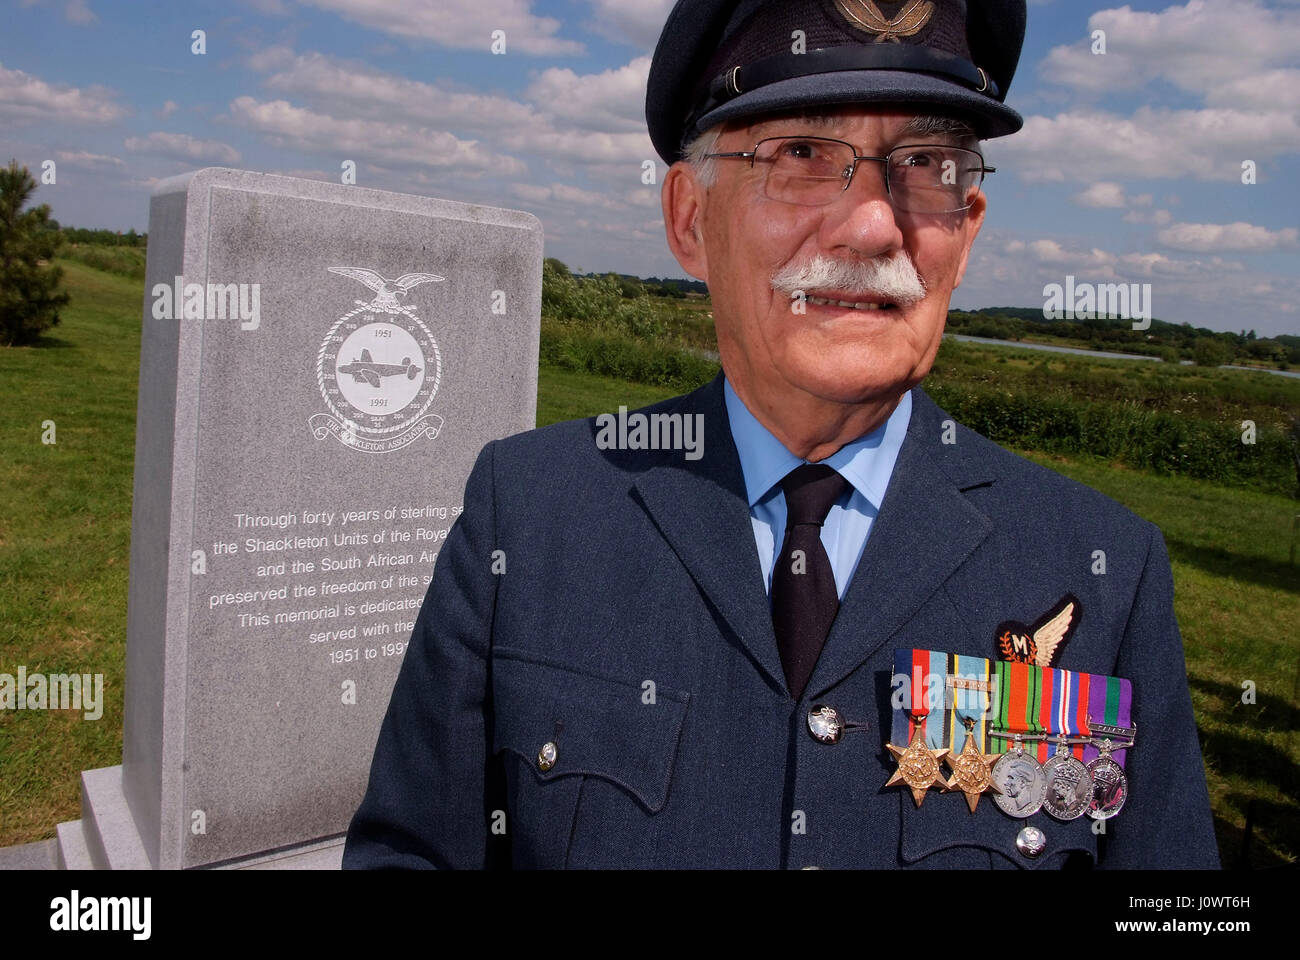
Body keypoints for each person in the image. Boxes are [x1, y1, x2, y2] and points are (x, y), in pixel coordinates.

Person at [343, 0, 1220, 869]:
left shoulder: (1102, 568)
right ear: (691, 220)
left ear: (968, 229)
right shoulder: (531, 513)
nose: (876, 225)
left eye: (925, 164)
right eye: (802, 154)